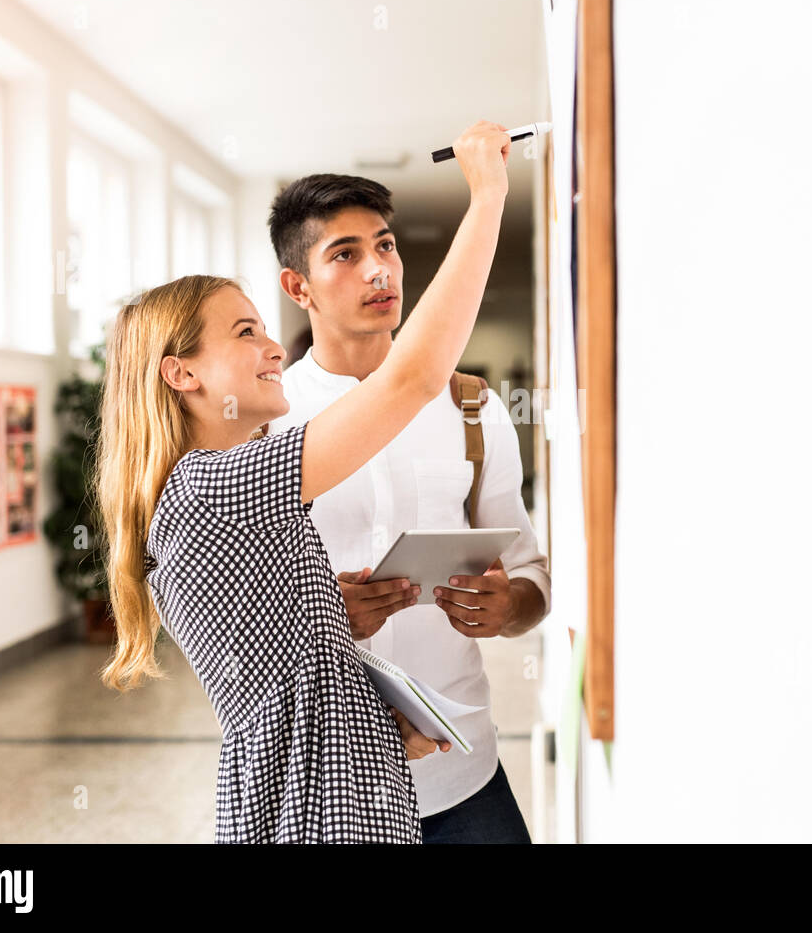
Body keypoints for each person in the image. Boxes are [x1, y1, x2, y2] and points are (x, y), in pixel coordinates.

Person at [93, 120, 512, 843]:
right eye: (245, 332)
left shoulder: (231, 484)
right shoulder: (210, 488)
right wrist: (488, 196)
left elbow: (293, 687)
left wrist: (371, 725)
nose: (269, 346)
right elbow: (412, 378)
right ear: (181, 373)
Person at [265, 169, 550, 843]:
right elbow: (228, 617)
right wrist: (321, 612)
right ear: (296, 285)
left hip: (464, 776)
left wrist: (510, 606)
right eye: (345, 254)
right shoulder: (265, 425)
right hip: (328, 785)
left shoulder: (471, 408)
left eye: (386, 246)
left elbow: (533, 573)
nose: (378, 270)